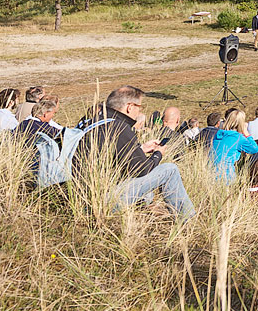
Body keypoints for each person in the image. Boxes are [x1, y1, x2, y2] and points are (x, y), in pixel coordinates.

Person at [71, 85, 194, 220]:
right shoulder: (119, 127)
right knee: (170, 170)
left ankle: (145, 208)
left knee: (146, 192)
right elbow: (142, 169)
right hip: (102, 202)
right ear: (130, 107)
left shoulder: (92, 121)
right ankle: (188, 219)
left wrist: (140, 149)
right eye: (139, 107)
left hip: (79, 196)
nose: (139, 111)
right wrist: (158, 153)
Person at [209, 109, 258, 183]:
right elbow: (255, 149)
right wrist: (246, 133)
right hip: (226, 177)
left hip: (211, 174)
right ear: (241, 123)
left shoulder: (219, 134)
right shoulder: (238, 138)